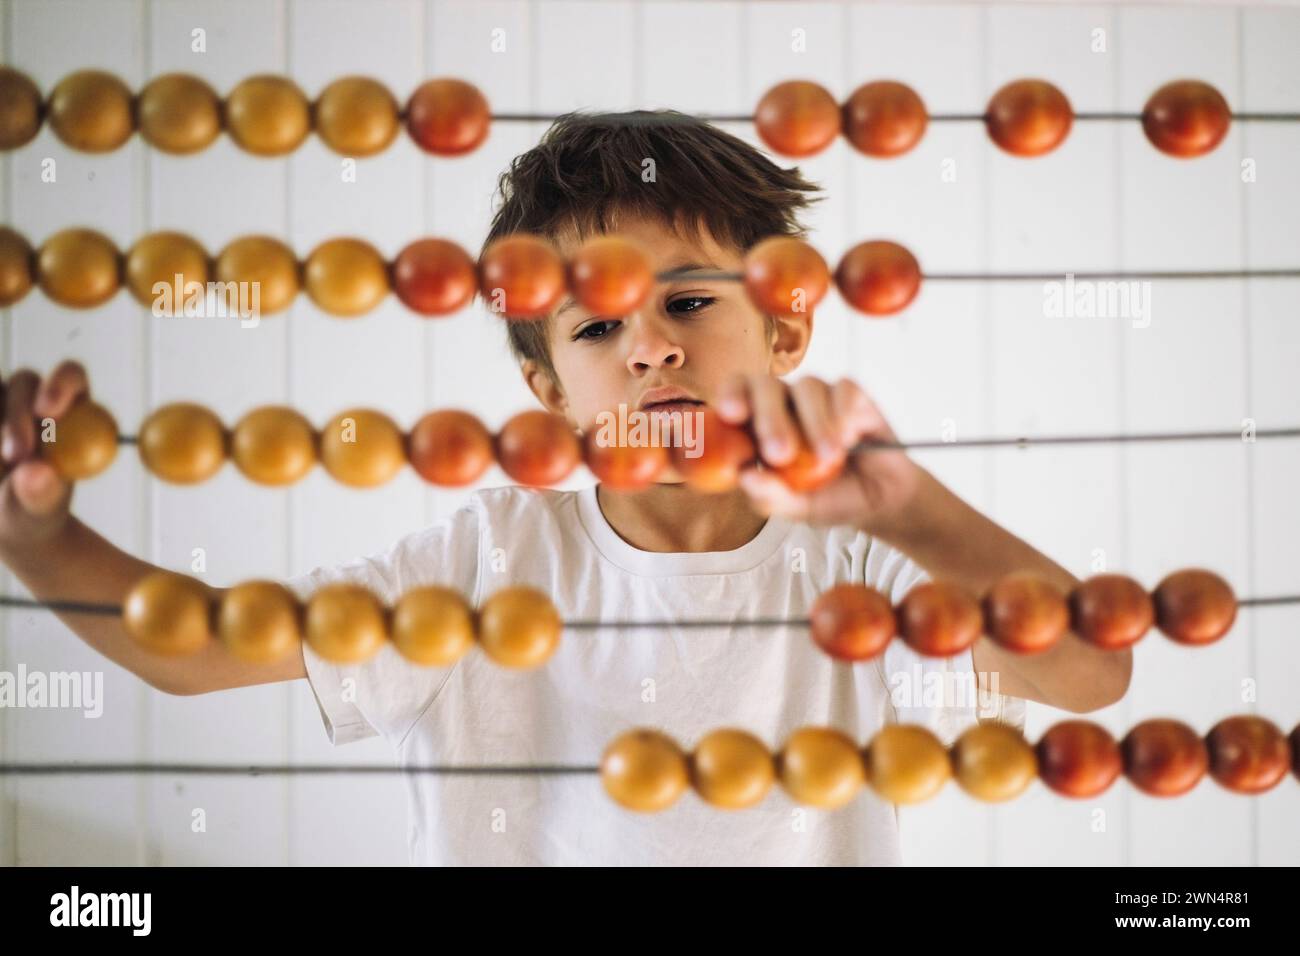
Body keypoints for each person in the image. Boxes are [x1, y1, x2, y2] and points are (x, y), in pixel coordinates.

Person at [0, 110, 1130, 865]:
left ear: (784, 324)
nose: (650, 349)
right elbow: (190, 650)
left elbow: (1090, 669)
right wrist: (41, 536)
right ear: (545, 382)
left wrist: (908, 506)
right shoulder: (487, 560)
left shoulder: (864, 563)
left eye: (689, 302)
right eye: (598, 326)